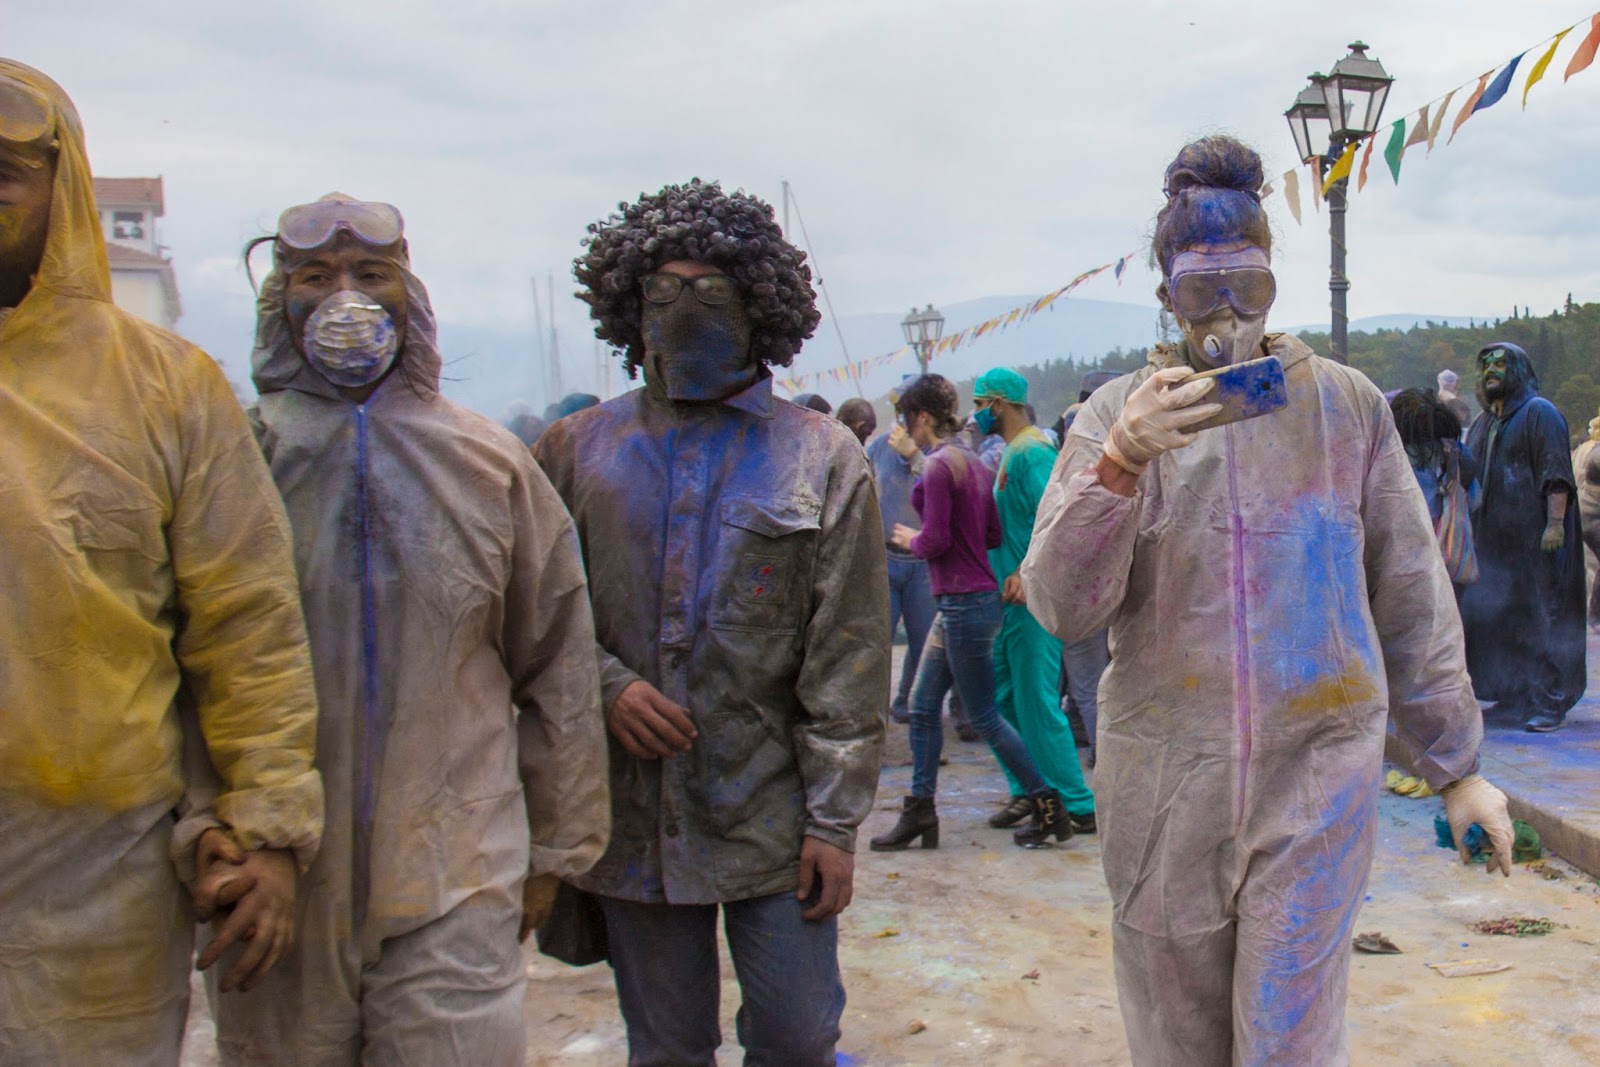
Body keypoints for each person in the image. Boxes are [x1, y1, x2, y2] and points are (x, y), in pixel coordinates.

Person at [1020, 135, 1514, 1064]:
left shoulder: (1344, 408)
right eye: (1203, 291)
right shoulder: (1117, 414)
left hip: (1316, 782)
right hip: (1164, 789)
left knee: (1289, 1043)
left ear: (1273, 286)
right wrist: (1120, 464)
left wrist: (1457, 767)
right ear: (1166, 293)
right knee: (1178, 1043)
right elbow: (1060, 605)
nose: (1228, 315)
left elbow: (1410, 592)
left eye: (1248, 286)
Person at [185, 195, 610, 1064]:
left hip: (458, 863)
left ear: (409, 296)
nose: (344, 295)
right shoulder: (236, 456)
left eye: (371, 274)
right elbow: (184, 665)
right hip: (275, 873)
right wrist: (201, 830)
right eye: (315, 276)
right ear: (280, 302)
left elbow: (558, 659)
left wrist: (555, 848)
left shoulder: (486, 463)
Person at [0, 59, 324, 1064]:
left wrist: (267, 827)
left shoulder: (164, 386)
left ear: (64, 191)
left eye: (3, 172)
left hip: (90, 879)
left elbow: (247, 626)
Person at [536, 178, 888, 1066]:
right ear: (630, 304)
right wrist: (605, 686)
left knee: (799, 1035)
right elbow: (532, 614)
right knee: (666, 1048)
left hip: (773, 813)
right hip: (635, 817)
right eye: (664, 288)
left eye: (713, 288)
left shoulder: (821, 456)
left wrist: (834, 822)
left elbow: (848, 655)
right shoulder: (575, 453)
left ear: (760, 302)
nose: (686, 305)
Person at [874, 374, 1074, 850]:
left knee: (983, 713)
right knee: (924, 707)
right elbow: (990, 535)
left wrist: (912, 540)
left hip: (962, 603)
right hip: (967, 601)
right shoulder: (973, 464)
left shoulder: (940, 466)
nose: (904, 426)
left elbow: (936, 540)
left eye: (906, 417)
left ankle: (1048, 803)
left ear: (922, 417)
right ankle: (920, 809)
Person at [970, 368, 1096, 834]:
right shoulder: (1011, 452)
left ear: (1000, 404)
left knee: (1038, 702)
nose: (977, 413)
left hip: (1031, 599)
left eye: (980, 403)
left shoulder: (1032, 453)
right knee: (1004, 699)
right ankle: (1031, 789)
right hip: (1008, 602)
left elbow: (1059, 517)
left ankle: (1077, 803)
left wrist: (1027, 571)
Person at [1461, 342, 1588, 732]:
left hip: (1537, 543)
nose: (1491, 371)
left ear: (1518, 369)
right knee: (1503, 619)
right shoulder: (1484, 422)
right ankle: (1513, 695)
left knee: (1544, 616)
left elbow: (1556, 472)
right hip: (1497, 547)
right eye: (1486, 365)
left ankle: (1550, 701)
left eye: (1500, 364)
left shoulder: (1539, 413)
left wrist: (1555, 524)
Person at [867, 376, 940, 729]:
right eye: (898, 412)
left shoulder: (937, 453)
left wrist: (913, 455)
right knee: (876, 641)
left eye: (908, 412)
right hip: (883, 560)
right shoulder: (878, 449)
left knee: (923, 640)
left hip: (923, 563)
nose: (902, 419)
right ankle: (870, 713)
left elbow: (941, 487)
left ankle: (908, 703)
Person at [1390, 388, 1480, 593]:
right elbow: (1475, 500)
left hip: (1402, 565)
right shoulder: (1457, 453)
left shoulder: (1390, 455)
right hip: (1448, 562)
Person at [1574, 408, 1600, 627]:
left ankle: (1594, 615)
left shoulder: (1588, 449)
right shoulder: (1596, 454)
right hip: (1592, 518)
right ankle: (1595, 616)